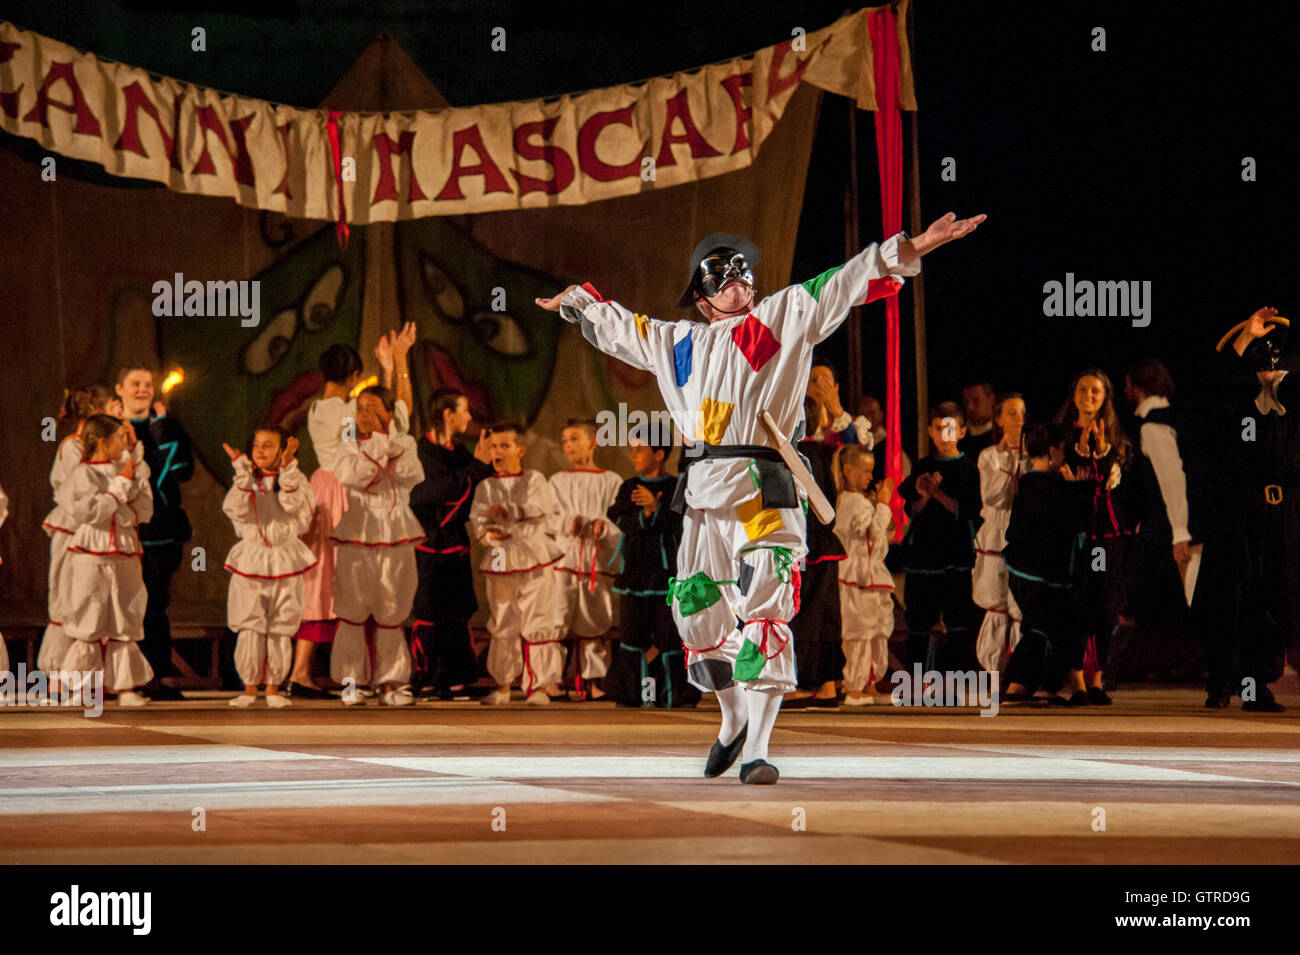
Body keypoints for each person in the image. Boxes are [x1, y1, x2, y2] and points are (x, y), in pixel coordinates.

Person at [537, 210, 985, 783]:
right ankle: (731, 721)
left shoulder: (782, 316)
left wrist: (913, 245)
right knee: (698, 610)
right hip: (701, 494)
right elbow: (623, 326)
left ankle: (759, 751)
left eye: (742, 274)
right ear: (701, 298)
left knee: (767, 608)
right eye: (721, 278)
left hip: (762, 487)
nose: (737, 282)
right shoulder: (678, 341)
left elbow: (841, 282)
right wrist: (577, 299)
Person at [1197, 307, 1296, 712]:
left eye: (1275, 365)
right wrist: (1243, 338)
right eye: (1261, 364)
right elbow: (1215, 389)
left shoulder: (1291, 406)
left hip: (1284, 518)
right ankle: (1222, 679)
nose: (1269, 372)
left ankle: (1257, 684)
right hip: (1239, 514)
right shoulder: (1234, 407)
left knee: (1275, 600)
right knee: (1233, 596)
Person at [56, 414, 154, 705]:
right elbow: (93, 514)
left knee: (124, 618)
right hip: (90, 554)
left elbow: (144, 509)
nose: (125, 443)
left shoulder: (125, 470)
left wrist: (130, 473)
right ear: (103, 441)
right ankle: (82, 688)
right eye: (120, 438)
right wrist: (119, 490)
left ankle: (124, 688)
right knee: (88, 618)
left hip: (123, 552)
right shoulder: (83, 474)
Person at [1054, 369, 1137, 704]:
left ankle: (1097, 676)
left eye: (1096, 392)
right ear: (1074, 394)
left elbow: (1120, 483)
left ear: (1106, 398)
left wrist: (1103, 451)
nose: (1089, 396)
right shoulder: (1059, 434)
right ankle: (1075, 679)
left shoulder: (1117, 438)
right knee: (1076, 603)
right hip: (1073, 531)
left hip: (1107, 531)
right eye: (1083, 389)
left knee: (1104, 605)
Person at [469, 423, 566, 705]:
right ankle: (503, 685)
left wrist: (510, 511)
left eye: (504, 446)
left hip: (533, 555)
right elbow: (478, 519)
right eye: (494, 446)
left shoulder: (534, 479)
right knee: (502, 620)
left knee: (538, 619)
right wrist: (488, 533)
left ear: (519, 450)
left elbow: (540, 508)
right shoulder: (486, 486)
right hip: (501, 556)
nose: (498, 452)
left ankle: (537, 687)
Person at [220, 427, 316, 708]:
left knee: (281, 624)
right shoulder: (246, 481)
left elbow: (292, 506)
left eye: (269, 445)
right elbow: (236, 510)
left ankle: (274, 688)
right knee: (250, 623)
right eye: (257, 445)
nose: (261, 450)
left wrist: (287, 470)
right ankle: (249, 689)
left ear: (284, 449)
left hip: (285, 557)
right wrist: (242, 476)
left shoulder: (295, 481)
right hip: (251, 558)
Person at [408, 388, 494, 699]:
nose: (469, 417)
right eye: (463, 410)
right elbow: (431, 492)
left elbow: (468, 489)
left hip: (456, 540)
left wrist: (478, 468)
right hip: (430, 539)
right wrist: (474, 470)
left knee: (458, 609)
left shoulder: (459, 452)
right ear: (447, 414)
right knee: (430, 609)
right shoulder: (423, 451)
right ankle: (427, 678)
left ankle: (456, 678)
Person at [115, 365, 193, 702]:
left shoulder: (166, 426)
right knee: (122, 605)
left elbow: (181, 470)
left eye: (147, 384)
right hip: (120, 530)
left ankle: (153, 677)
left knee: (154, 604)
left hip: (161, 532)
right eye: (135, 384)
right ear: (120, 389)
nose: (142, 389)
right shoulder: (110, 429)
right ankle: (118, 680)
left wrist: (161, 427)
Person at [603, 438, 699, 708]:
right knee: (632, 639)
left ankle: (674, 696)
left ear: (658, 454)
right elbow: (618, 516)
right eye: (631, 449)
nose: (633, 455)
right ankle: (633, 695)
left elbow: (681, 521)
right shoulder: (629, 486)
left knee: (670, 639)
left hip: (666, 575)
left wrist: (655, 509)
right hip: (634, 574)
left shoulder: (675, 486)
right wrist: (644, 514)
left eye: (640, 449)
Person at [38, 386, 121, 689]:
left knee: (85, 599)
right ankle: (59, 677)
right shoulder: (74, 447)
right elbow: (73, 493)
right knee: (66, 597)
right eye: (114, 407)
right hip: (73, 528)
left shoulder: (101, 450)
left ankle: (84, 677)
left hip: (88, 531)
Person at [1122, 359, 1197, 693]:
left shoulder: (1154, 425)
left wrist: (1180, 532)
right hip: (1166, 522)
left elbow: (1172, 479)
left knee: (1164, 593)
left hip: (1172, 524)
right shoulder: (1170, 418)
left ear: (1134, 386)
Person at [1002, 424, 1088, 703]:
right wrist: (1079, 488)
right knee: (1049, 629)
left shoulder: (1025, 483)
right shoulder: (1056, 487)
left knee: (1037, 627)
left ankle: (1023, 686)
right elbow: (1074, 524)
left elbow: (1014, 530)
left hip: (1019, 571)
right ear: (1053, 451)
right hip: (1045, 575)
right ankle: (1032, 686)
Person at [897, 401, 983, 681]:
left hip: (955, 556)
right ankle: (918, 679)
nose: (944, 434)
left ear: (961, 431)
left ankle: (955, 677)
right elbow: (913, 509)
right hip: (923, 555)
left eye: (950, 428)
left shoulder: (969, 468)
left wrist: (939, 494)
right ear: (931, 432)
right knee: (919, 622)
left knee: (957, 621)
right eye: (939, 428)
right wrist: (924, 493)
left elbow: (969, 510)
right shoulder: (923, 465)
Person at [550, 418, 623, 700]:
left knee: (595, 619)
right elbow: (548, 519)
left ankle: (593, 681)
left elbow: (618, 523)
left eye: (574, 439)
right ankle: (553, 680)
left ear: (593, 442)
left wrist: (603, 528)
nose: (568, 445)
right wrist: (568, 522)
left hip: (596, 560)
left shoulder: (612, 481)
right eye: (565, 440)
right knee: (558, 616)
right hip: (565, 560)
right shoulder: (557, 481)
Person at [785, 393, 847, 708]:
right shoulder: (820, 453)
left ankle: (797, 683)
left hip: (803, 545)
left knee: (801, 613)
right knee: (825, 615)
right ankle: (827, 683)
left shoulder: (793, 454)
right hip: (825, 544)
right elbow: (830, 500)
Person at [833, 444, 896, 705]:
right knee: (858, 630)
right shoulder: (849, 501)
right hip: (857, 575)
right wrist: (883, 505)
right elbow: (872, 537)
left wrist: (880, 508)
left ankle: (870, 683)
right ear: (848, 471)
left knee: (876, 628)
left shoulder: (861, 501)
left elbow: (881, 538)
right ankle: (854, 686)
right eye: (866, 471)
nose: (871, 477)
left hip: (871, 573)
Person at [972, 393, 1028, 674]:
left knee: (1020, 606)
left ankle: (1020, 672)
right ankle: (994, 670)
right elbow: (992, 495)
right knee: (996, 603)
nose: (1019, 419)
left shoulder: (1032, 456)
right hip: (996, 533)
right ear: (999, 419)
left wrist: (1023, 457)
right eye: (1012, 413)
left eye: (1022, 413)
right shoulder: (989, 456)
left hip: (1022, 534)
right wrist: (1009, 461)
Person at [807, 364, 871, 447]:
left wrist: (838, 412)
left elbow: (857, 452)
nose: (820, 385)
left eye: (825, 380)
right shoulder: (799, 423)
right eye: (814, 380)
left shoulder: (851, 425)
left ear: (836, 387)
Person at [958, 381, 997, 458]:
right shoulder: (958, 438)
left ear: (991, 400)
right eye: (966, 401)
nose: (970, 407)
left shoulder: (1001, 435)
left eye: (976, 400)